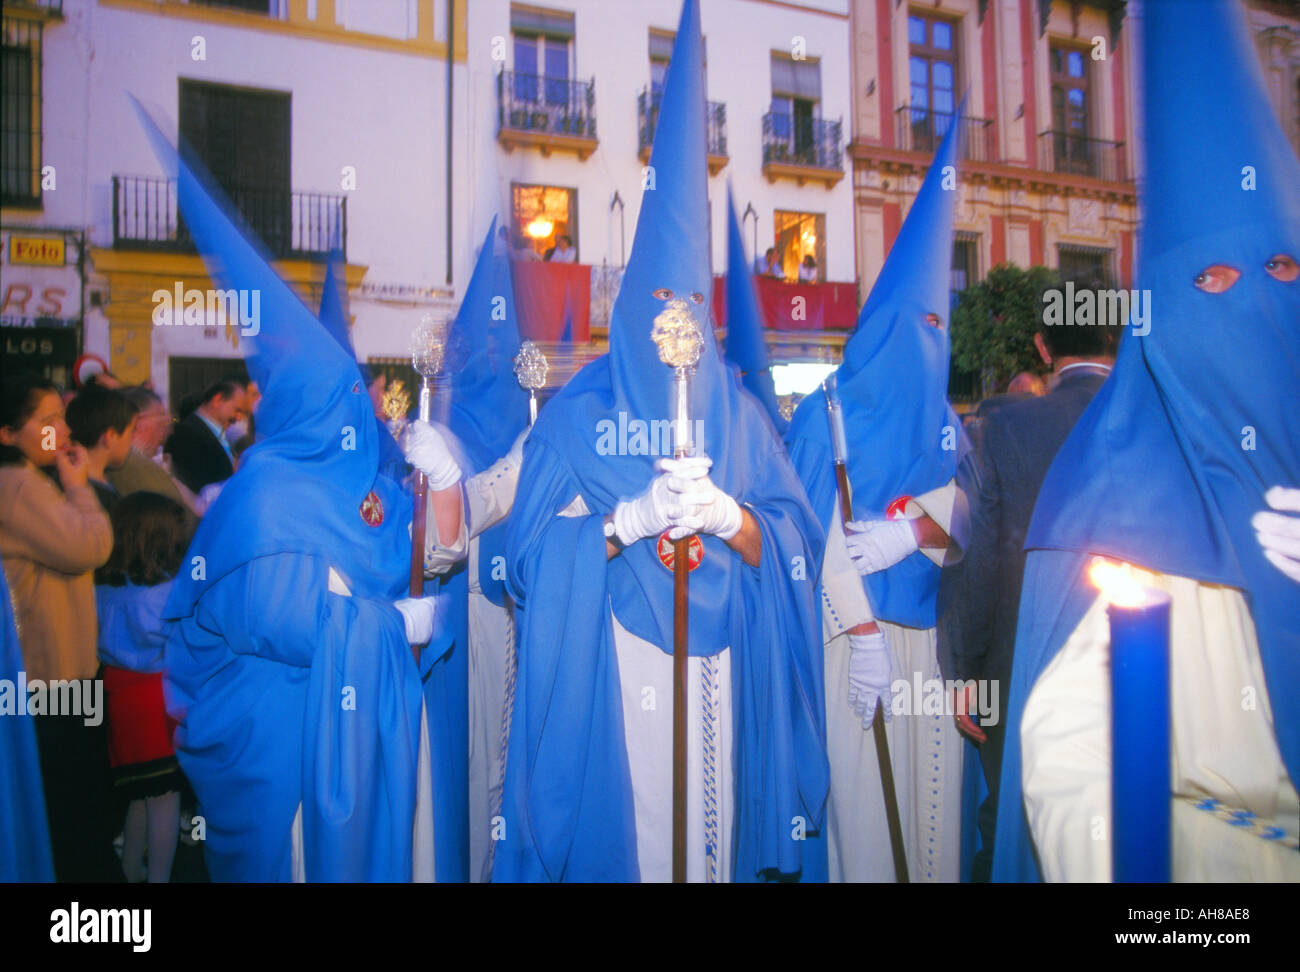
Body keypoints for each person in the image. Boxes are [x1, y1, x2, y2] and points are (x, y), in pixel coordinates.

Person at [495, 0, 828, 883]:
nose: (670, 339)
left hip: (730, 685)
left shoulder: (746, 418)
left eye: (687, 316)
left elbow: (797, 544)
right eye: (654, 313)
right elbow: (525, 567)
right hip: (619, 679)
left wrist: (734, 520)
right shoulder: (572, 416)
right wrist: (624, 524)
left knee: (713, 847)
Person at [994, 0, 1300, 882]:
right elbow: (1069, 747)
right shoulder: (1112, 502)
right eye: (1211, 281)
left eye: (1282, 269)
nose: (1251, 300)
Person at [134, 99, 457, 881]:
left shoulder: (354, 480)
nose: (360, 410)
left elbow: (432, 550)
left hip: (350, 733)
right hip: (283, 750)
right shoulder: (262, 498)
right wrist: (393, 625)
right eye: (345, 397)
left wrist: (444, 484)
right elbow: (292, 625)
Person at [785, 109, 968, 882]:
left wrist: (916, 531)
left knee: (933, 818)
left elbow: (975, 507)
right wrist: (861, 635)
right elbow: (807, 531)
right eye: (914, 323)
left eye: (940, 324)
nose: (927, 338)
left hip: (929, 645)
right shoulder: (821, 410)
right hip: (849, 642)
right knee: (864, 820)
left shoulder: (951, 417)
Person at [936, 307, 1117, 882]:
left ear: (1042, 348)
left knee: (1014, 823)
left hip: (1023, 672)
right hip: (1146, 673)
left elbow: (981, 559)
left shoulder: (1011, 429)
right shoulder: (1171, 418)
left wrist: (966, 673)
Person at [0, 373, 120, 883]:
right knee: (74, 816)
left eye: (60, 417)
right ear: (6, 433)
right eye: (45, 421)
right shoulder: (20, 484)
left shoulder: (29, 477)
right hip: (54, 680)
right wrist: (79, 489)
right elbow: (89, 546)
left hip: (49, 673)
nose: (61, 431)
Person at [96, 492, 192, 883]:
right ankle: (159, 878)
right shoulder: (169, 594)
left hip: (117, 691)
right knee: (166, 799)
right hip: (158, 696)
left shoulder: (100, 589)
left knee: (139, 794)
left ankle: (130, 868)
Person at [65, 383, 140, 515]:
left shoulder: (59, 481)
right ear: (110, 436)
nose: (132, 440)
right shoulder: (99, 500)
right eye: (131, 432)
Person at [107, 386, 187, 509]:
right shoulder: (133, 467)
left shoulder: (136, 464)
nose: (169, 431)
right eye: (162, 424)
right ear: (137, 422)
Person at [164, 378, 245, 493]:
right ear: (217, 400)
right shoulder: (187, 433)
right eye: (237, 410)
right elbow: (196, 487)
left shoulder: (217, 434)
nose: (239, 418)